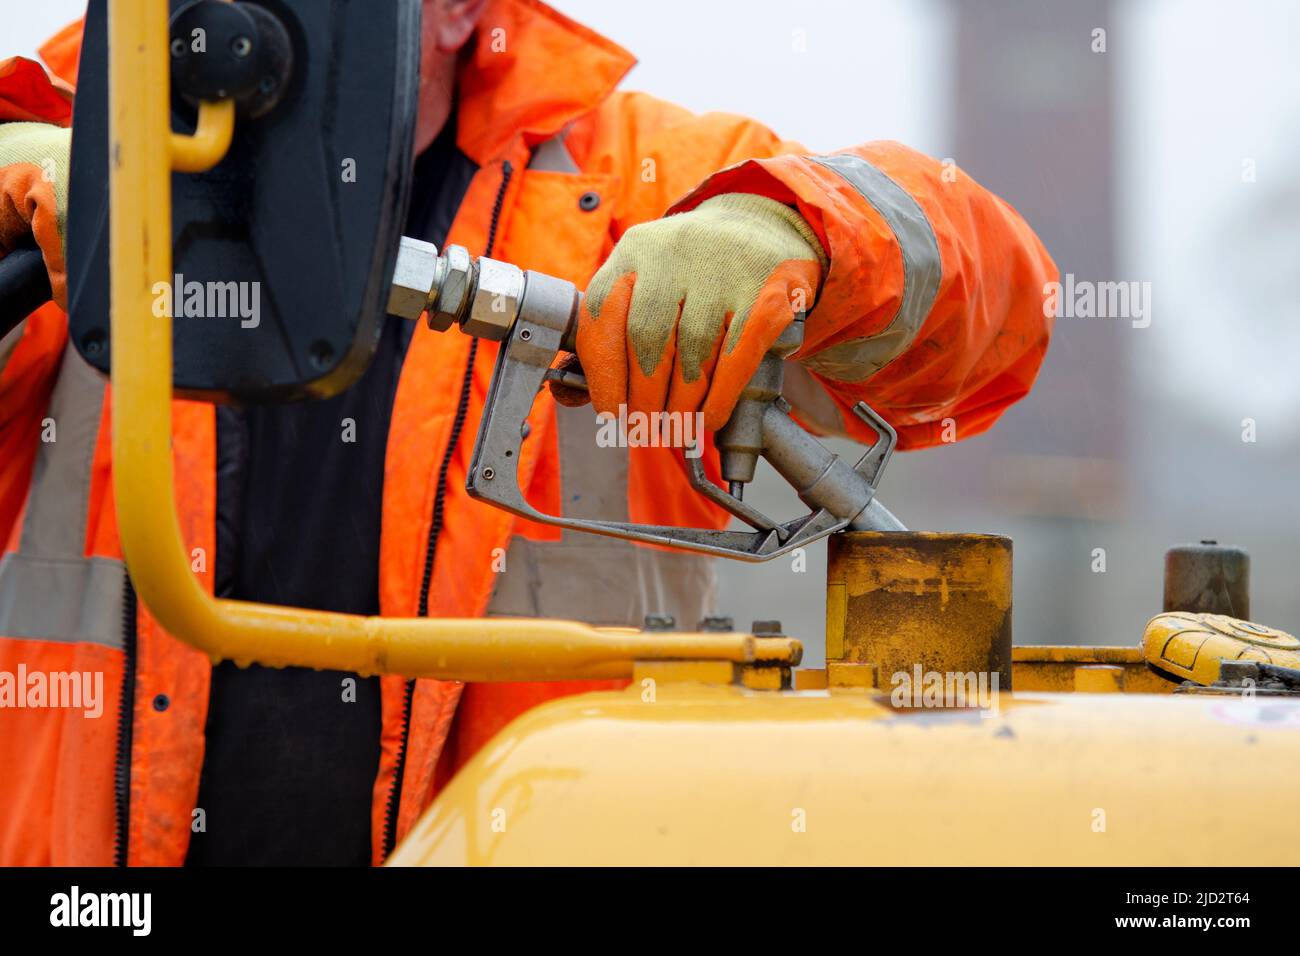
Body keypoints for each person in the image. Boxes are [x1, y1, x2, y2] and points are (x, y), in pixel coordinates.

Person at [0, 0, 1056, 865]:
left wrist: (791, 229)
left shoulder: (643, 187)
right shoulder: (63, 174)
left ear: (462, 13)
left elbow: (998, 294)